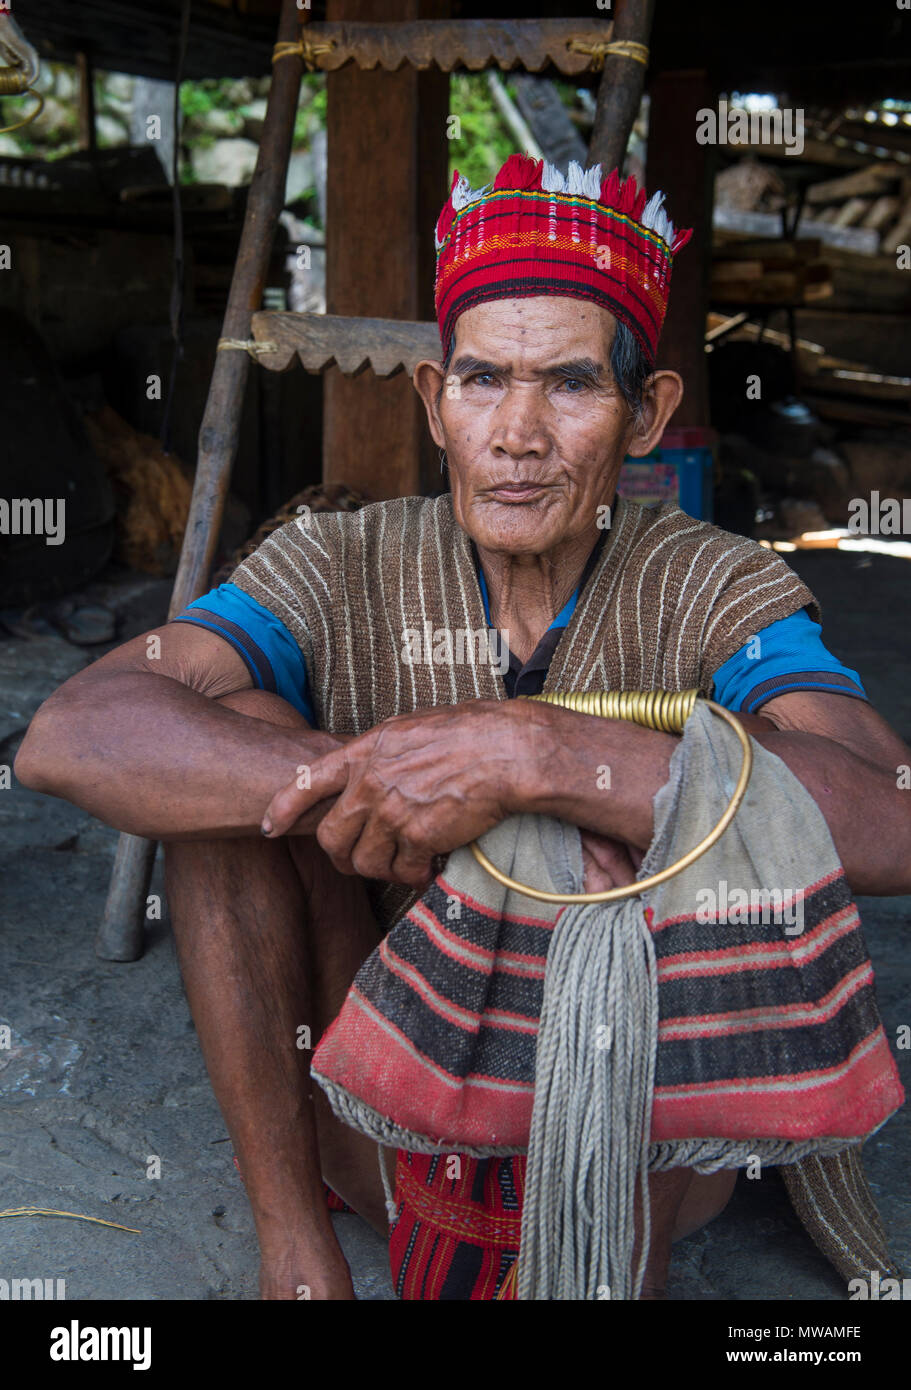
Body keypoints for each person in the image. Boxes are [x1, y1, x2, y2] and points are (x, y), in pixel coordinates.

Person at [16, 155, 910, 1300]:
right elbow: (73, 730)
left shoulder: (710, 584)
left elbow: (888, 811)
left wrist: (546, 758)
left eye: (570, 385)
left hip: (631, 1123)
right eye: (483, 380)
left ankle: (591, 1262)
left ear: (646, 413)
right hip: (381, 1094)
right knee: (225, 749)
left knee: (655, 825)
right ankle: (298, 1257)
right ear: (434, 400)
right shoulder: (340, 559)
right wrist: (383, 773)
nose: (517, 433)